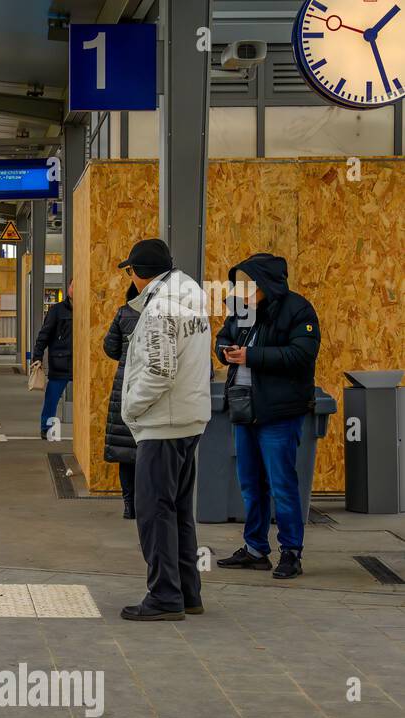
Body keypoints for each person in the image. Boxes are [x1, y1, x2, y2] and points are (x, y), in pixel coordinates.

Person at [117, 239, 212, 622]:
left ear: (139, 274)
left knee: (153, 512)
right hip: (188, 420)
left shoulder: (159, 310)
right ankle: (188, 592)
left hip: (162, 423)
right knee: (177, 511)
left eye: (130, 272)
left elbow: (159, 371)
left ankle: (164, 596)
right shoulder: (190, 296)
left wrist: (131, 408)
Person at [214, 253, 321, 580]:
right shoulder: (242, 310)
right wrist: (225, 351)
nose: (242, 289)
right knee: (250, 483)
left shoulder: (298, 310)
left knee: (281, 483)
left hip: (279, 412)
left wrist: (251, 356)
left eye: (249, 283)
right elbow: (222, 337)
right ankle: (256, 549)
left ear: (266, 284)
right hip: (244, 409)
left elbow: (301, 355)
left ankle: (291, 552)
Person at [102, 283, 140, 518]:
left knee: (126, 452)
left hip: (125, 384)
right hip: (153, 389)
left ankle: (129, 505)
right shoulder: (167, 311)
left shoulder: (124, 312)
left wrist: (126, 356)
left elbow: (110, 347)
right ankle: (147, 503)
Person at [33, 281, 73, 439]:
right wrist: (37, 356)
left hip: (81, 364)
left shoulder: (87, 309)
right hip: (60, 362)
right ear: (68, 288)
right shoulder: (56, 310)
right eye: (72, 285)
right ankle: (48, 429)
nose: (74, 289)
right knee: (52, 399)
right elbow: (44, 335)